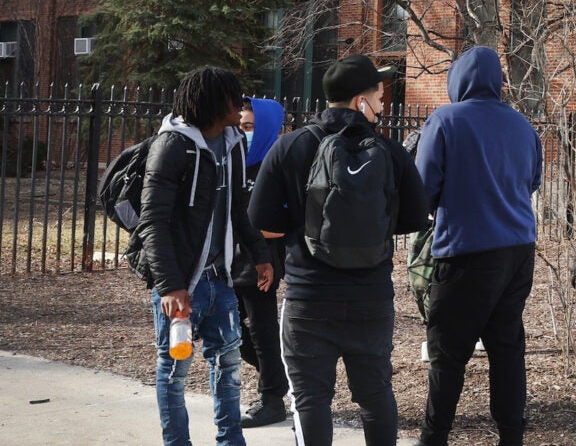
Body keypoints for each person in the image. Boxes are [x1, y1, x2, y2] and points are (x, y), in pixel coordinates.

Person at [249, 55, 430, 446]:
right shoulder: (389, 151)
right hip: (370, 296)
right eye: (378, 95)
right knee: (375, 393)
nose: (383, 103)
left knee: (311, 399)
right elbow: (416, 217)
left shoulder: (289, 147)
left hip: (309, 296)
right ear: (358, 101)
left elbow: (262, 223)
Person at [412, 46, 542, 446]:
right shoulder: (523, 125)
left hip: (466, 250)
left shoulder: (446, 120)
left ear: (459, 80)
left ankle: (434, 438)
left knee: (448, 353)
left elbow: (422, 188)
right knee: (506, 346)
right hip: (519, 249)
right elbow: (533, 182)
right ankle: (510, 437)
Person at [136, 67, 271, 446]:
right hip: (182, 285)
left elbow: (238, 209)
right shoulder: (172, 147)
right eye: (233, 98)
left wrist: (260, 254)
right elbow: (154, 221)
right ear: (213, 103)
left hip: (221, 280)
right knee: (174, 371)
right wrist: (170, 285)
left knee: (228, 367)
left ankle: (231, 441)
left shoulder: (233, 144)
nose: (241, 105)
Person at [232, 97, 288, 429]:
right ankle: (282, 379)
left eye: (250, 127)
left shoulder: (274, 165)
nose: (243, 133)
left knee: (262, 330)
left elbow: (279, 223)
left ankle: (272, 399)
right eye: (240, 126)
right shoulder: (233, 161)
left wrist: (245, 230)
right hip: (228, 259)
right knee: (233, 332)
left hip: (260, 262)